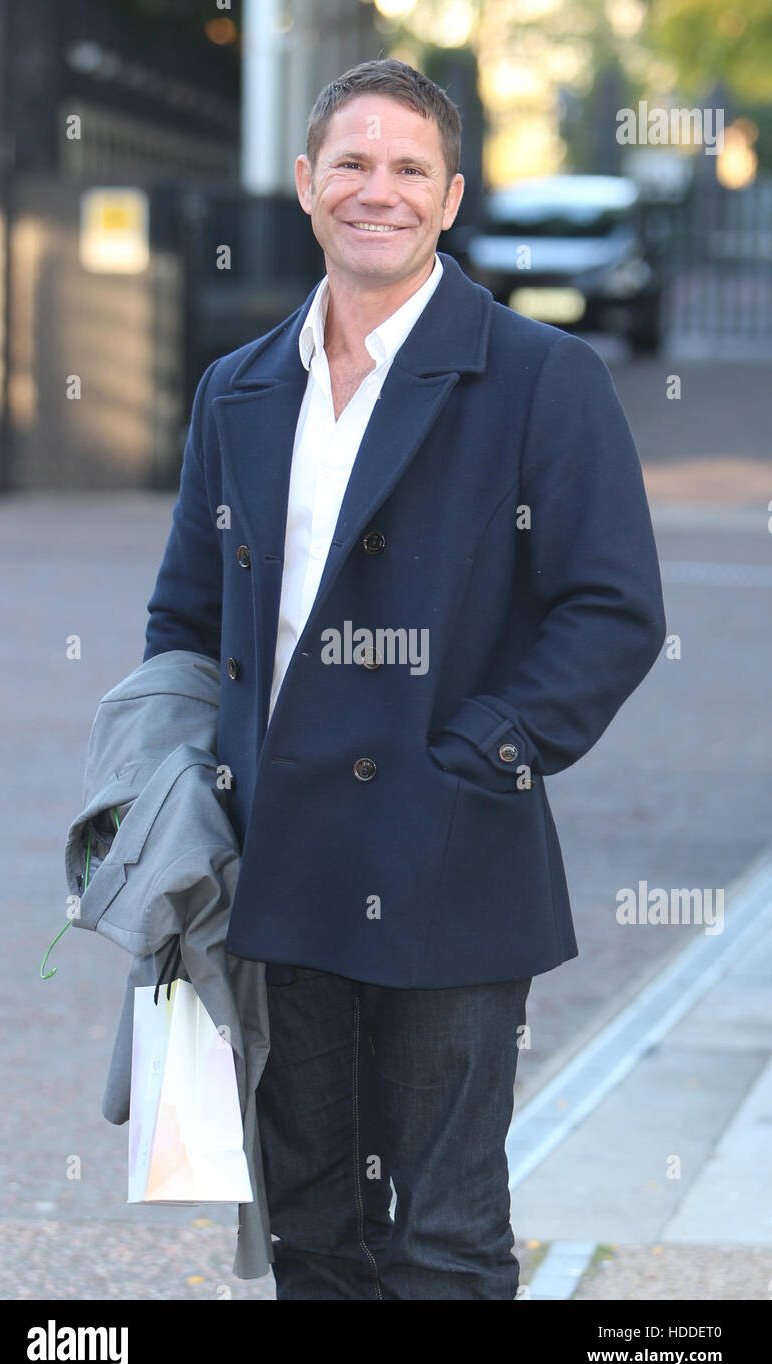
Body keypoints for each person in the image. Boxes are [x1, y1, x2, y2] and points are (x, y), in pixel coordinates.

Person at [143, 58, 666, 1300]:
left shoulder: (540, 377)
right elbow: (186, 613)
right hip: (279, 861)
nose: (377, 191)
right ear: (306, 183)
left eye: (408, 169)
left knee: (443, 1240)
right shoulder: (239, 387)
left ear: (450, 198)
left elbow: (614, 610)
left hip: (448, 850)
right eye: (353, 164)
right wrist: (177, 786)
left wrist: (479, 756)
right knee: (314, 1233)